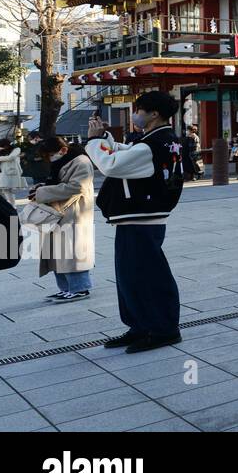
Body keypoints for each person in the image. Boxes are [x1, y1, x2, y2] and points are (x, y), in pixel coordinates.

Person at [86, 90, 184, 354]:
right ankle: (141, 326)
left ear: (153, 114)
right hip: (141, 218)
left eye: (138, 109)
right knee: (133, 277)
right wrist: (106, 139)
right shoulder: (163, 140)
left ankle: (163, 330)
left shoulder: (150, 145)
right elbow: (128, 152)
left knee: (145, 277)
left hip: (140, 219)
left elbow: (110, 165)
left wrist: (95, 142)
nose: (134, 114)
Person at [27, 137, 96, 303]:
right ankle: (66, 289)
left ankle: (80, 288)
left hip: (74, 211)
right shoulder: (65, 160)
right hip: (60, 211)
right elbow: (59, 182)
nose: (50, 158)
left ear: (63, 150)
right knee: (57, 252)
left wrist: (44, 192)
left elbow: (77, 187)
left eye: (51, 155)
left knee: (73, 252)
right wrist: (42, 187)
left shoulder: (81, 161)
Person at [0, 139, 24, 206]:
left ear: (6, 145)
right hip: (1, 173)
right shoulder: (0, 151)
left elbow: (11, 157)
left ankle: (12, 210)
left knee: (8, 191)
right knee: (0, 191)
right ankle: (4, 208)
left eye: (0, 146)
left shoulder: (16, 149)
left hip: (10, 172)